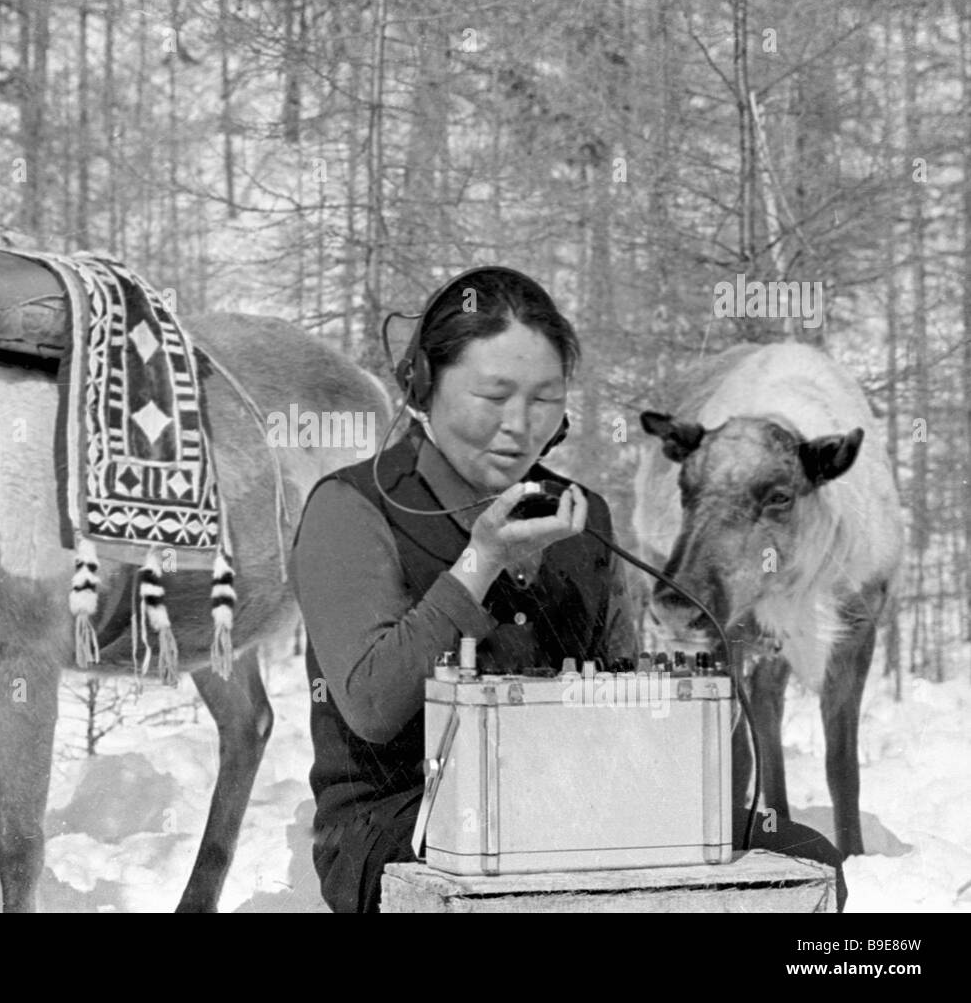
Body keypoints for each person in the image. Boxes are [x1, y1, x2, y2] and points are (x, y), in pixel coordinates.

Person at [289, 266, 847, 914]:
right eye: (492, 395)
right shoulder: (351, 508)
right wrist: (481, 563)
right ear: (423, 383)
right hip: (403, 826)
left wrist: (696, 680)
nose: (518, 425)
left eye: (543, 398)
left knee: (805, 859)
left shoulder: (584, 520)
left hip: (572, 806)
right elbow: (372, 704)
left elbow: (621, 711)